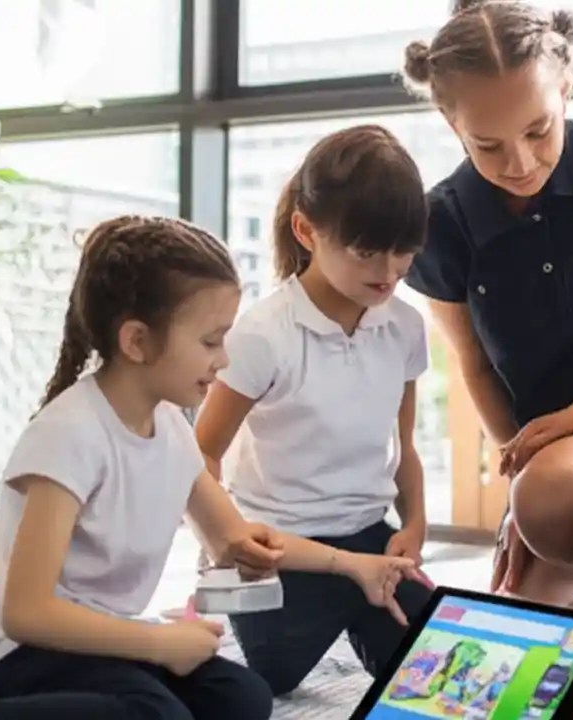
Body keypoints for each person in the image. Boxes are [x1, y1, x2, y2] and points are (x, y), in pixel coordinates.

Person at [0, 216, 414, 720]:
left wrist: (351, 565)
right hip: (23, 653)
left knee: (241, 698)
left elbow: (237, 539)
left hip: (102, 642)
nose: (223, 360)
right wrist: (157, 644)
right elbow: (24, 613)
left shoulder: (170, 427)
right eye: (210, 341)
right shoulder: (68, 433)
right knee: (153, 716)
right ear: (137, 342)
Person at [401, 0, 573, 605]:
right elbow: (473, 366)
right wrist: (519, 494)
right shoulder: (440, 223)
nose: (521, 162)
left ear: (566, 86)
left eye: (538, 130)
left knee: (554, 505)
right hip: (548, 472)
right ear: (454, 126)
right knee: (528, 626)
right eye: (489, 145)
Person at [193, 125, 435, 697]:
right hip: (284, 547)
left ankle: (360, 605)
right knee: (274, 675)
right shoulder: (262, 335)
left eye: (404, 250)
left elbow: (404, 448)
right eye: (367, 250)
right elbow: (200, 453)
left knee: (429, 663)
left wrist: (416, 525)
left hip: (370, 534)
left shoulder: (404, 326)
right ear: (307, 230)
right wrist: (225, 542)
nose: (390, 269)